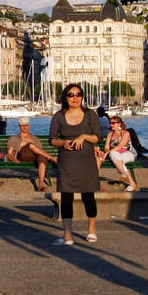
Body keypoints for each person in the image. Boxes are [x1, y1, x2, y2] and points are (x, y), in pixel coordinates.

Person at [49, 84, 102, 245]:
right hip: (67, 162)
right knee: (66, 197)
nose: (75, 98)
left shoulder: (90, 115)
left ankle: (92, 229)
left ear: (82, 97)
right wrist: (63, 143)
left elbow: (98, 137)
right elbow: (52, 140)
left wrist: (84, 136)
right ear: (65, 98)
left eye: (78, 94)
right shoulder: (58, 116)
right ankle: (67, 233)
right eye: (71, 95)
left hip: (86, 161)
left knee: (88, 196)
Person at [7, 118, 55, 191]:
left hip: (34, 157)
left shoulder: (35, 138)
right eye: (22, 126)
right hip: (23, 156)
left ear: (29, 126)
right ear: (19, 127)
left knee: (42, 158)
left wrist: (44, 156)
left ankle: (41, 185)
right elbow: (9, 154)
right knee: (31, 145)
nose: (25, 127)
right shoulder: (14, 138)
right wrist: (14, 159)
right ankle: (52, 158)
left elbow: (40, 151)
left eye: (26, 125)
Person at [98, 116, 139, 192]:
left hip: (128, 154)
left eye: (113, 123)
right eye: (110, 123)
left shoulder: (125, 133)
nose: (111, 125)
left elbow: (120, 146)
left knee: (115, 155)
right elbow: (106, 147)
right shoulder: (110, 134)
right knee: (115, 155)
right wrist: (107, 151)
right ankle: (131, 182)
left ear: (119, 124)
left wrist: (106, 153)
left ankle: (124, 175)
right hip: (115, 155)